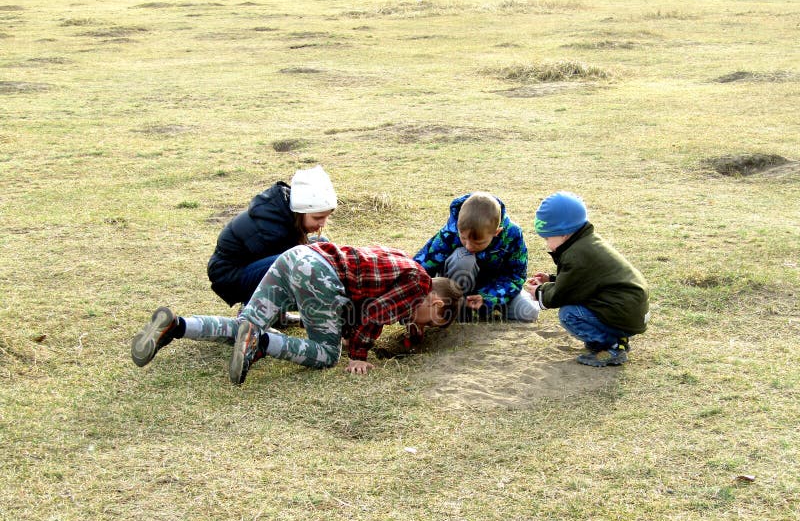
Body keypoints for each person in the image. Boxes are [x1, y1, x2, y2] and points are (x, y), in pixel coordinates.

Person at [132, 243, 463, 381]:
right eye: (432, 321)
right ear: (435, 303)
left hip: (296, 257)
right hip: (319, 275)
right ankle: (262, 345)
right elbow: (375, 312)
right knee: (325, 354)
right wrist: (357, 354)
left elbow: (364, 303)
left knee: (245, 324)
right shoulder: (419, 286)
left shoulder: (405, 264)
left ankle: (177, 326)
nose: (422, 325)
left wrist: (412, 332)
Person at [524, 191, 649, 367]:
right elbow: (582, 281)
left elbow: (563, 293)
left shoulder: (577, 254)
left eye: (548, 238)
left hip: (622, 313)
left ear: (564, 233)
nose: (547, 244)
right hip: (625, 309)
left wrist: (539, 292)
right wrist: (551, 279)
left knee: (569, 314)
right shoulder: (586, 243)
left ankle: (612, 347)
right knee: (576, 308)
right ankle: (611, 339)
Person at [207, 165, 336, 308]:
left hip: (253, 265)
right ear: (301, 212)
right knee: (297, 260)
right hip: (230, 276)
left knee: (321, 246)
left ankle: (275, 314)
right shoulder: (273, 229)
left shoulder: (285, 214)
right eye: (318, 217)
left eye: (326, 217)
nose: (323, 224)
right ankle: (252, 310)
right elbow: (282, 273)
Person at [414, 191, 539, 322]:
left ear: (497, 232)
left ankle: (475, 309)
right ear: (458, 226)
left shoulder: (513, 234)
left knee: (530, 312)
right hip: (453, 284)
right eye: (463, 238)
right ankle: (456, 309)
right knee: (463, 256)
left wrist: (488, 298)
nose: (468, 246)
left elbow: (515, 276)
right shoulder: (451, 230)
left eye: (478, 242)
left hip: (493, 288)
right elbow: (423, 265)